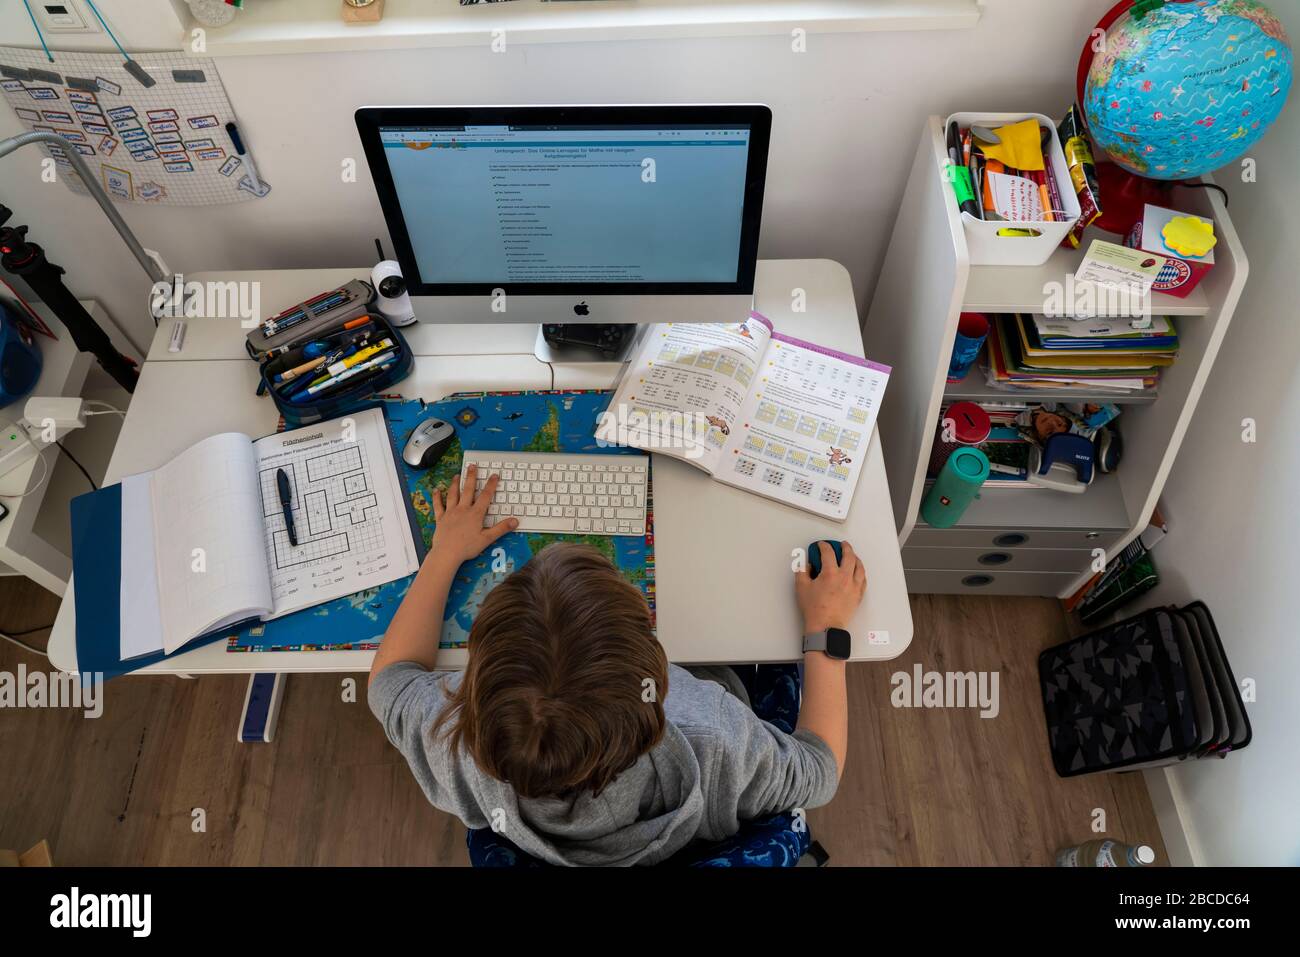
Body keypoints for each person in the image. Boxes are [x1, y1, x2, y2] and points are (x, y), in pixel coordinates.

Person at [368, 463, 866, 866]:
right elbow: (819, 772)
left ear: (472, 688)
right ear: (657, 677)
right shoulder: (711, 733)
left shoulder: (455, 742)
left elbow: (388, 681)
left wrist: (445, 553)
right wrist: (827, 631)